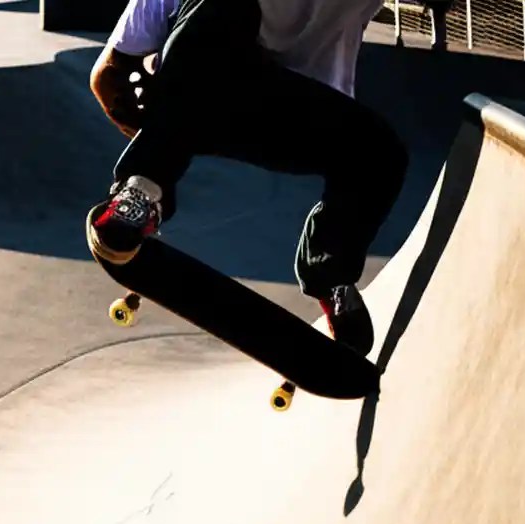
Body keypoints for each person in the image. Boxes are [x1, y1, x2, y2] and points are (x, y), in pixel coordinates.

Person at [86, 0, 409, 356]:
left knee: (381, 152)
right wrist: (151, 120)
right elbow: (113, 68)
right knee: (219, 10)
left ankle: (331, 273)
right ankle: (143, 191)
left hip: (296, 114)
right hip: (205, 95)